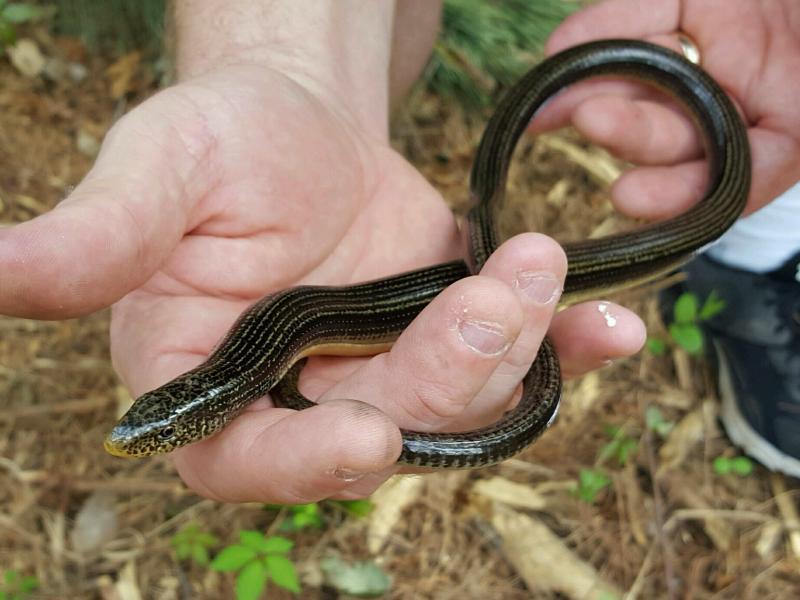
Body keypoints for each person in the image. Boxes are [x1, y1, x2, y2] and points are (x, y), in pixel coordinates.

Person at [0, 0, 796, 502]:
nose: (142, 433)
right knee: (506, 269)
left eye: (156, 428)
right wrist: (288, 66)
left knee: (520, 255)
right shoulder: (265, 350)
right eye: (155, 429)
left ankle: (757, 253)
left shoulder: (269, 343)